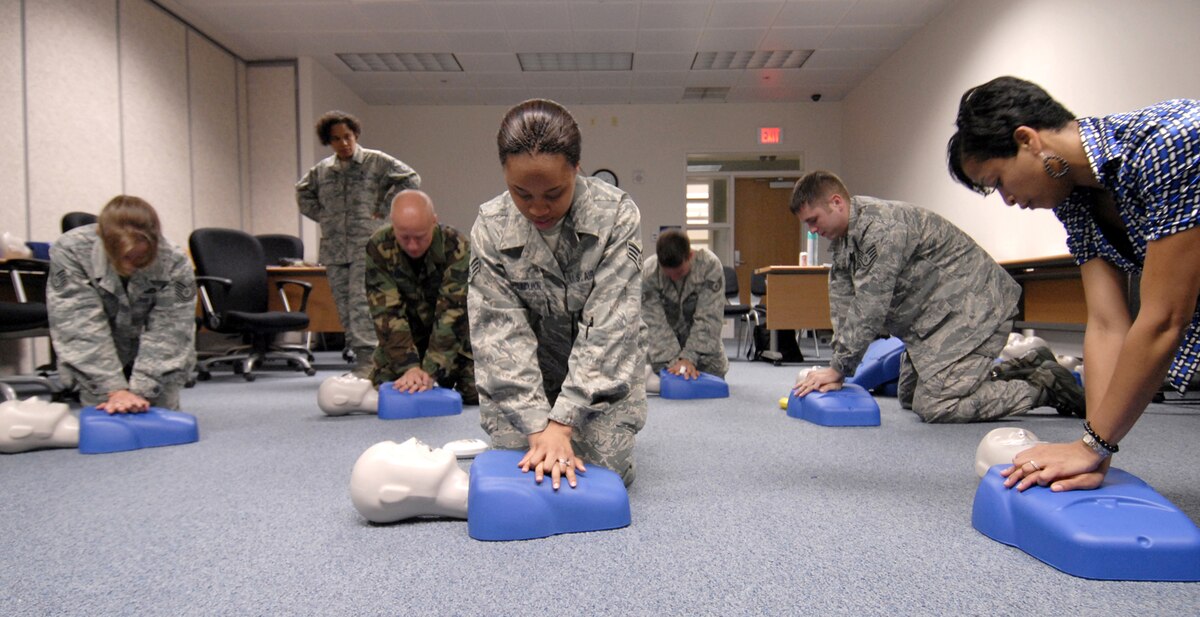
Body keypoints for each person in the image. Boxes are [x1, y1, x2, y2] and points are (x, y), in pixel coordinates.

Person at [947, 76, 1200, 492]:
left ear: (1027, 140)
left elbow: (1164, 320)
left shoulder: (1170, 143)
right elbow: (1106, 324)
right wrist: (1097, 447)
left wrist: (1092, 444)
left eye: (999, 181)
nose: (1008, 199)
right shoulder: (1076, 200)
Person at [788, 171, 1085, 423]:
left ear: (836, 202)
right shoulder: (844, 241)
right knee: (908, 396)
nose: (812, 230)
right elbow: (844, 305)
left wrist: (839, 368)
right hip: (936, 323)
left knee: (936, 406)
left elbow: (869, 307)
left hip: (975, 310)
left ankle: (1044, 385)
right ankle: (1029, 363)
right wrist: (837, 366)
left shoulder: (881, 228)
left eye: (813, 220)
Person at [468, 99, 647, 488]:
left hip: (601, 377)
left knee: (602, 474)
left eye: (553, 192)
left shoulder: (615, 215)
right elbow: (499, 334)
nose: (537, 208)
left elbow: (611, 329)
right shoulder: (491, 228)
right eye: (521, 193)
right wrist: (537, 426)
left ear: (577, 168)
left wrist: (564, 421)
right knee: (518, 472)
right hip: (527, 377)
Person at [296, 110, 421, 377]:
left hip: (367, 245)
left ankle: (369, 361)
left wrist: (385, 207)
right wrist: (323, 215)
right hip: (335, 249)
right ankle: (362, 356)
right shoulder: (322, 171)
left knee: (361, 305)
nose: (343, 143)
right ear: (328, 142)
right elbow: (302, 193)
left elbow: (411, 179)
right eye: (336, 139)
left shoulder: (374, 162)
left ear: (356, 135)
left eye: (347, 137)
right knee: (343, 306)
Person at [47, 196, 196, 412]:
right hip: (98, 355)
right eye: (122, 257)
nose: (129, 265)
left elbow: (171, 331)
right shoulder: (71, 251)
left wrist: (142, 390)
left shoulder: (174, 261)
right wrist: (113, 389)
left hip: (151, 356)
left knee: (156, 417)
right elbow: (79, 325)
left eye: (138, 257)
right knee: (107, 424)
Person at [365, 189, 475, 403]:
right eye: (404, 237)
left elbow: (452, 314)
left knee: (475, 393)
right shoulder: (379, 246)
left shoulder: (456, 246)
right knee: (383, 388)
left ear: (434, 222)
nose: (413, 245)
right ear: (392, 224)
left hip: (456, 337)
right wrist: (410, 368)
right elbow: (386, 314)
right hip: (407, 337)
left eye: (420, 237)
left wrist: (430, 371)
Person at [641, 229, 728, 382]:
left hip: (703, 351)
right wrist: (676, 364)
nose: (674, 278)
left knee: (713, 380)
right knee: (657, 381)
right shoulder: (649, 273)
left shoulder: (709, 266)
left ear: (690, 256)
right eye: (668, 275)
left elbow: (709, 319)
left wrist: (689, 358)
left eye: (679, 273)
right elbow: (654, 324)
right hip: (663, 353)